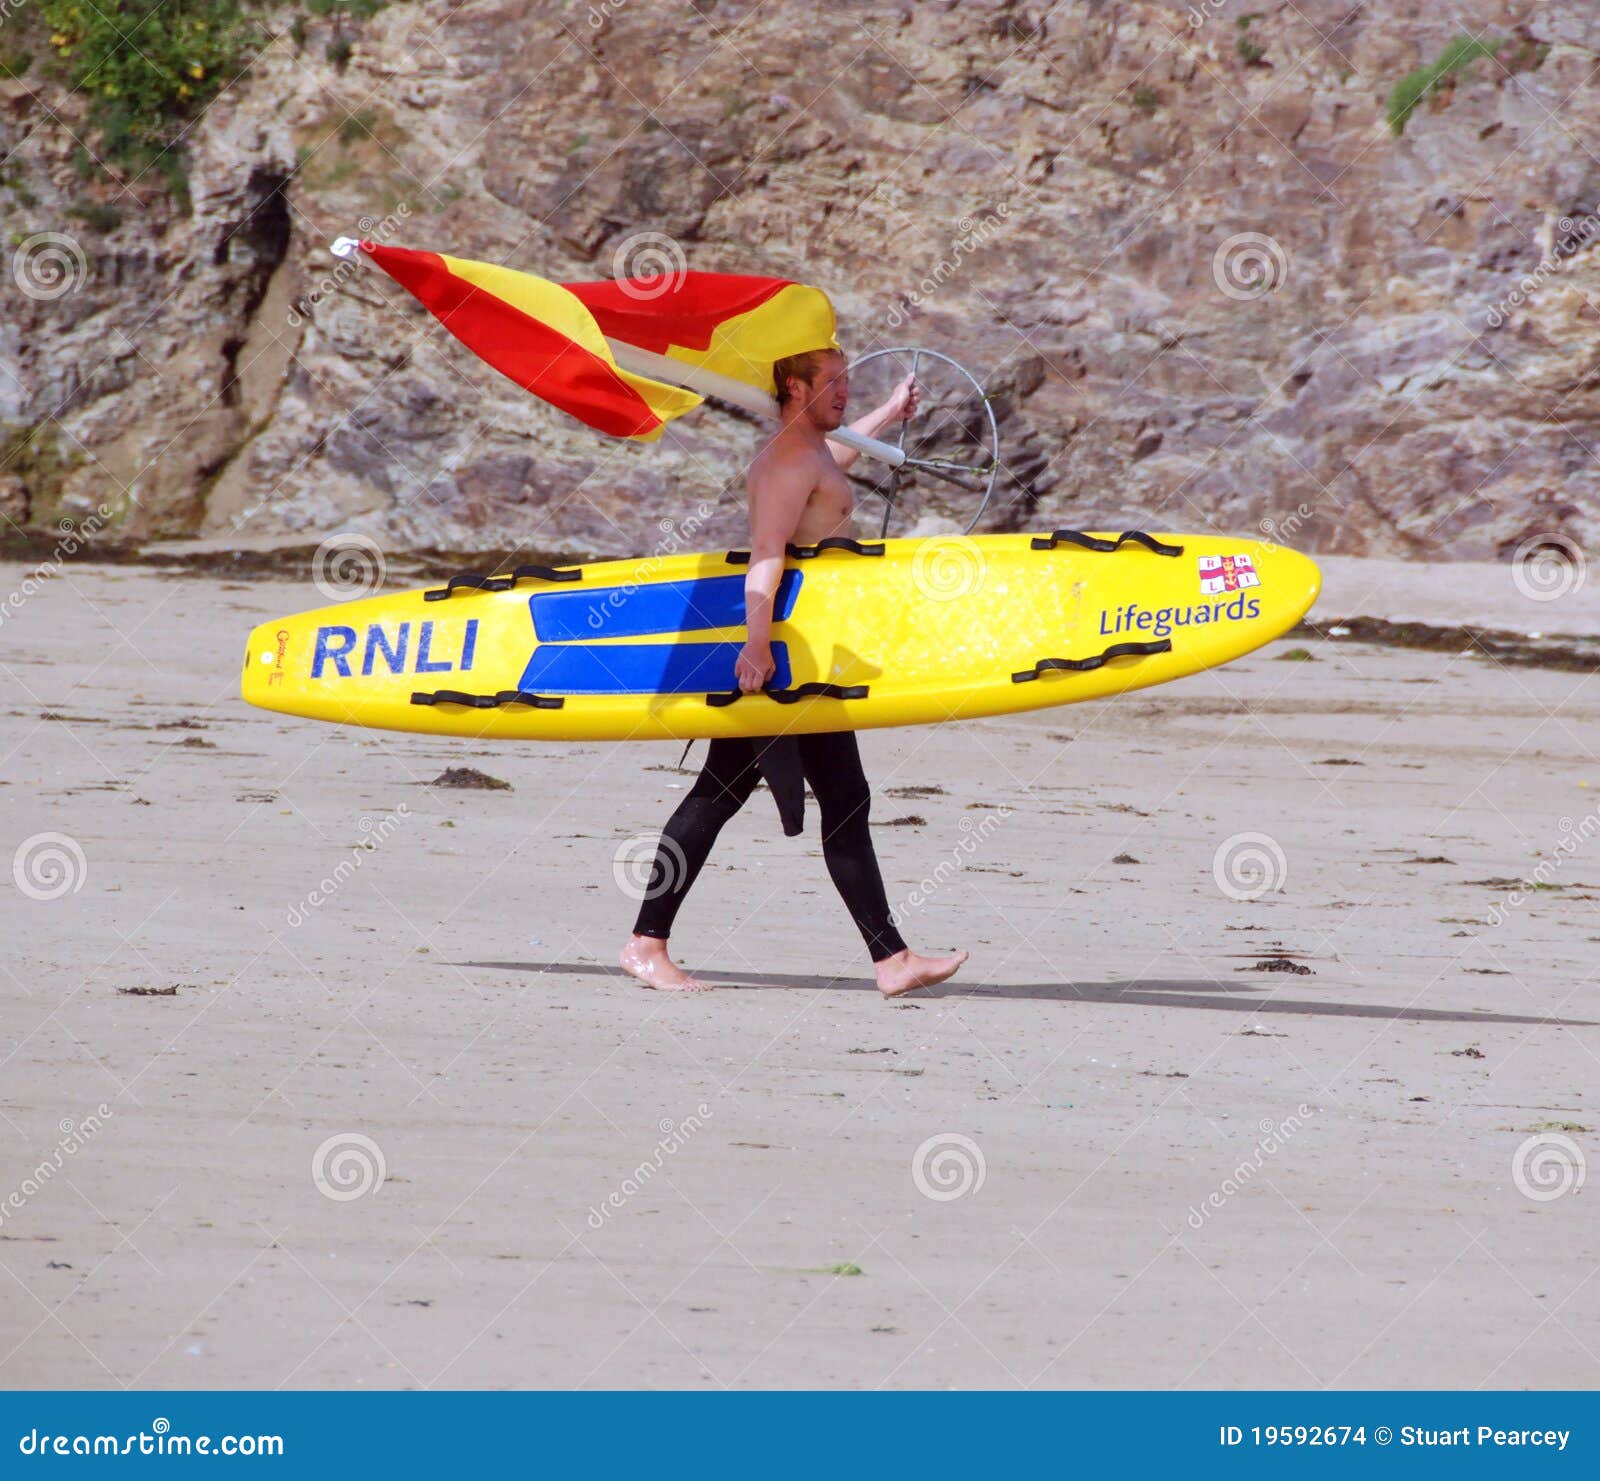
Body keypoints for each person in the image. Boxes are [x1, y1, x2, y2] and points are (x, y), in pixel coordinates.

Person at [619, 347, 969, 997]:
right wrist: (756, 645)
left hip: (804, 650)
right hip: (781, 652)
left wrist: (889, 411)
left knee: (770, 795)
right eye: (830, 382)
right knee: (749, 797)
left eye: (847, 381)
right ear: (793, 386)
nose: (842, 391)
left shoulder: (806, 448)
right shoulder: (785, 457)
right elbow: (766, 552)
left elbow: (832, 471)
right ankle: (646, 943)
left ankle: (891, 958)